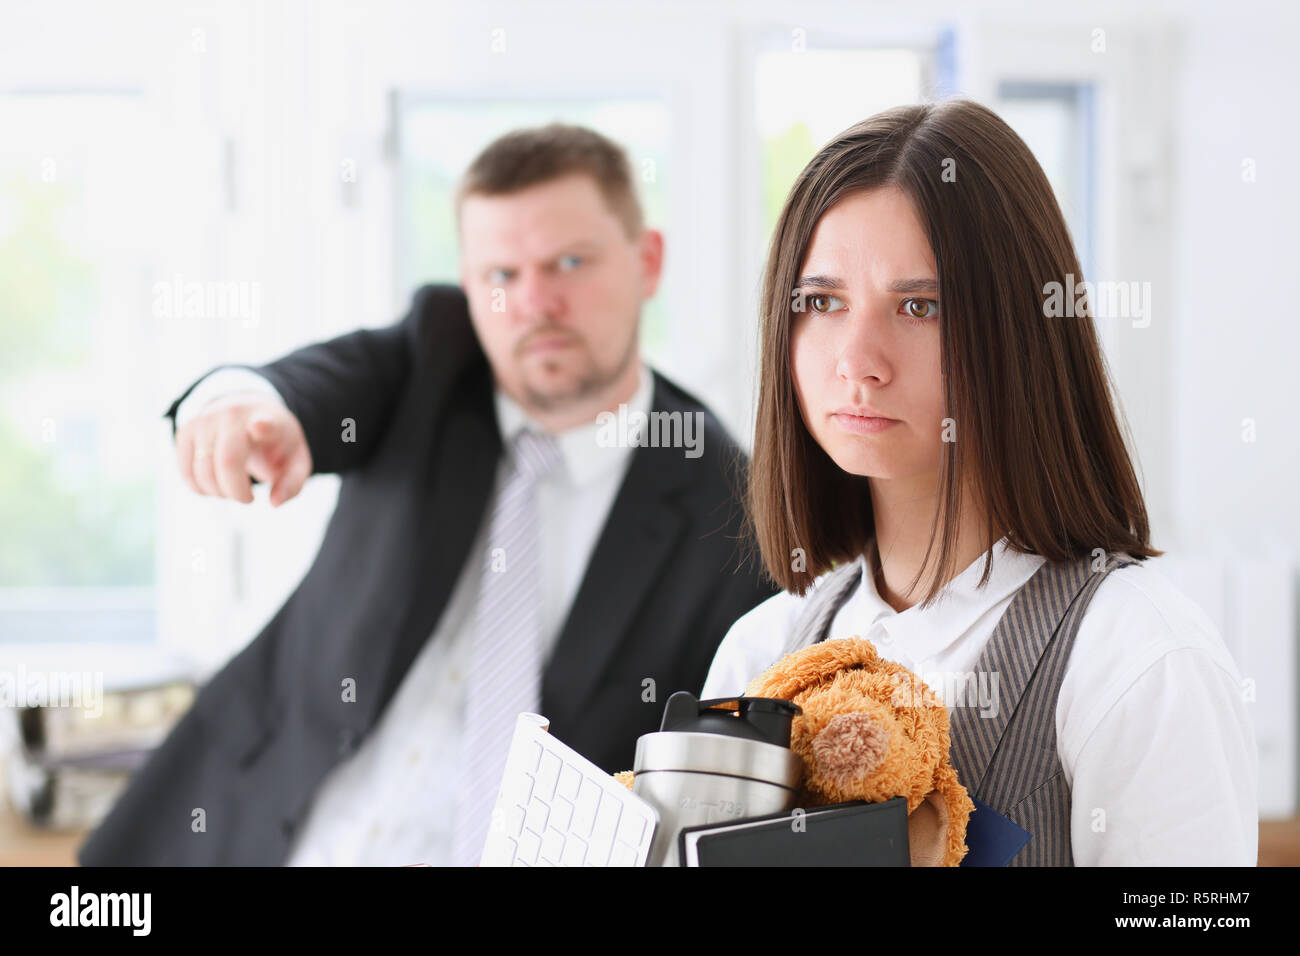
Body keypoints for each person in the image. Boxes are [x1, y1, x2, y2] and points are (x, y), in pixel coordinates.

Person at [78, 123, 776, 866]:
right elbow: (308, 384)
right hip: (249, 836)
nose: (536, 303)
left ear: (648, 261)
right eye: (500, 276)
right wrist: (236, 404)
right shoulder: (431, 365)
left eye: (571, 262)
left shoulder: (729, 507)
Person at [702, 99, 1258, 866]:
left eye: (920, 306)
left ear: (1022, 335)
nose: (858, 360)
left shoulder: (1142, 661)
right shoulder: (758, 653)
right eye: (822, 302)